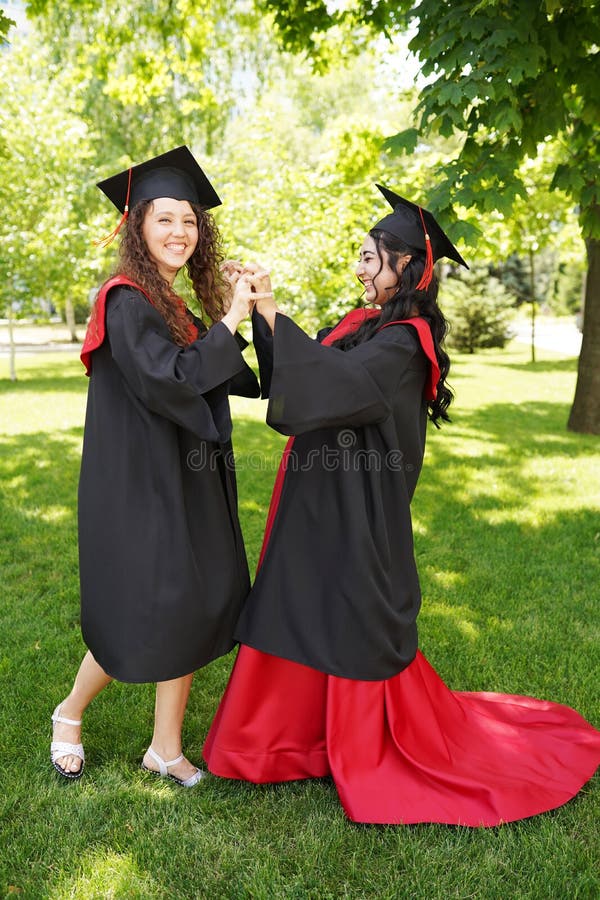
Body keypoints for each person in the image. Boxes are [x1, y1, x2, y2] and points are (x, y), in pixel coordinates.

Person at [203, 186, 600, 824]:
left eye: (372, 257)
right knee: (299, 592)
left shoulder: (407, 340)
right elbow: (296, 374)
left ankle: (347, 742)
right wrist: (261, 310)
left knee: (350, 601)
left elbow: (342, 387)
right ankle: (279, 741)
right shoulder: (363, 325)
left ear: (408, 266)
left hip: (359, 499)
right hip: (319, 490)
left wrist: (274, 306)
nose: (360, 268)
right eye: (359, 256)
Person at [50, 146, 268, 786]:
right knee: (142, 607)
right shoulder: (125, 302)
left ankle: (165, 748)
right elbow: (174, 380)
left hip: (183, 475)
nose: (180, 232)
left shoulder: (170, 303)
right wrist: (229, 321)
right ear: (139, 226)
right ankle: (69, 713)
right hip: (141, 485)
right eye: (166, 219)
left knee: (194, 604)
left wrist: (245, 317)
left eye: (191, 222)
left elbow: (219, 375)